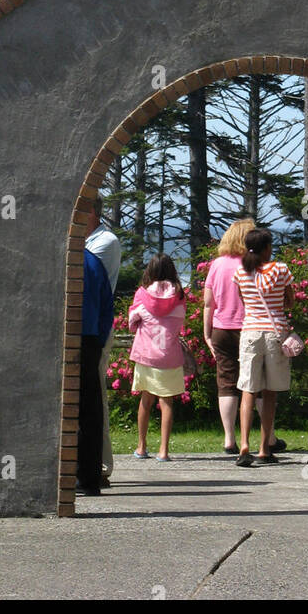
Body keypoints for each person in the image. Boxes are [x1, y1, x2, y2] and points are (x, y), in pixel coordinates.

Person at [203, 218, 287, 456]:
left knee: (227, 383)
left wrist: (207, 332)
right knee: (258, 385)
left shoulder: (217, 264)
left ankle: (230, 439)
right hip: (250, 328)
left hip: (221, 327)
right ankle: (267, 438)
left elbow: (209, 303)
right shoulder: (252, 265)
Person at [233, 227, 295, 468]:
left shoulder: (240, 272)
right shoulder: (280, 269)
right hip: (275, 332)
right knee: (270, 392)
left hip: (249, 331)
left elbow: (243, 300)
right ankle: (264, 447)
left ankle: (244, 445)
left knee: (248, 389)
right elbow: (289, 300)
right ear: (267, 248)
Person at [128, 254, 186, 462]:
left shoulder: (142, 294)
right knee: (167, 401)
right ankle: (164, 450)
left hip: (146, 354)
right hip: (169, 354)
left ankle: (141, 446)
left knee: (146, 399)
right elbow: (180, 322)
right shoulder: (179, 295)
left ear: (150, 271)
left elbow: (132, 321)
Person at [84, 196, 121, 485]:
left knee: (94, 397)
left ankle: (100, 465)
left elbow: (83, 272)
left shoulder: (104, 242)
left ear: (92, 214)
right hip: (91, 323)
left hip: (96, 326)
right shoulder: (91, 241)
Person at [78, 240, 114, 496]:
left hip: (62, 339)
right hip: (88, 340)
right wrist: (98, 341)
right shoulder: (93, 261)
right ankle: (89, 476)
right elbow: (107, 309)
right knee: (90, 411)